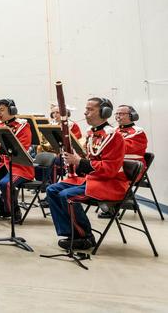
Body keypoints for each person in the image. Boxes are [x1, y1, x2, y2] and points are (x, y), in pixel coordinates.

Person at [46, 97, 128, 250]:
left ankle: (85, 236)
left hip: (110, 184)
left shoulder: (113, 136)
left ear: (105, 112)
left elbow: (109, 170)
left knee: (67, 196)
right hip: (93, 180)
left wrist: (79, 162)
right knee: (52, 190)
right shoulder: (92, 133)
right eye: (86, 109)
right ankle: (71, 233)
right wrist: (73, 163)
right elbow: (90, 163)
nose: (85, 112)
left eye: (90, 110)